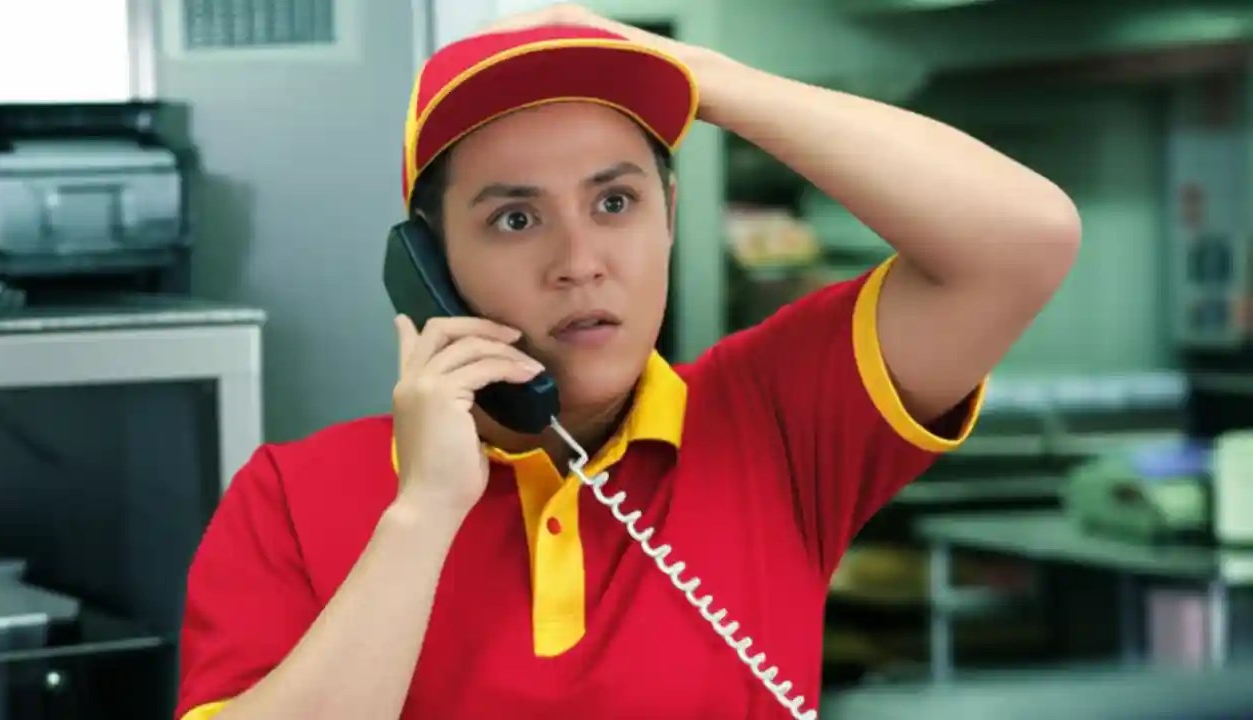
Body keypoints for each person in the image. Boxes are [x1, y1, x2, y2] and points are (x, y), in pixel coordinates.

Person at [173, 4, 1080, 720]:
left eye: (615, 201)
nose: (579, 259)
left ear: (671, 217)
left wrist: (707, 82)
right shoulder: (290, 497)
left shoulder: (772, 420)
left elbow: (1025, 241)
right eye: (515, 219)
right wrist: (423, 515)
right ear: (429, 269)